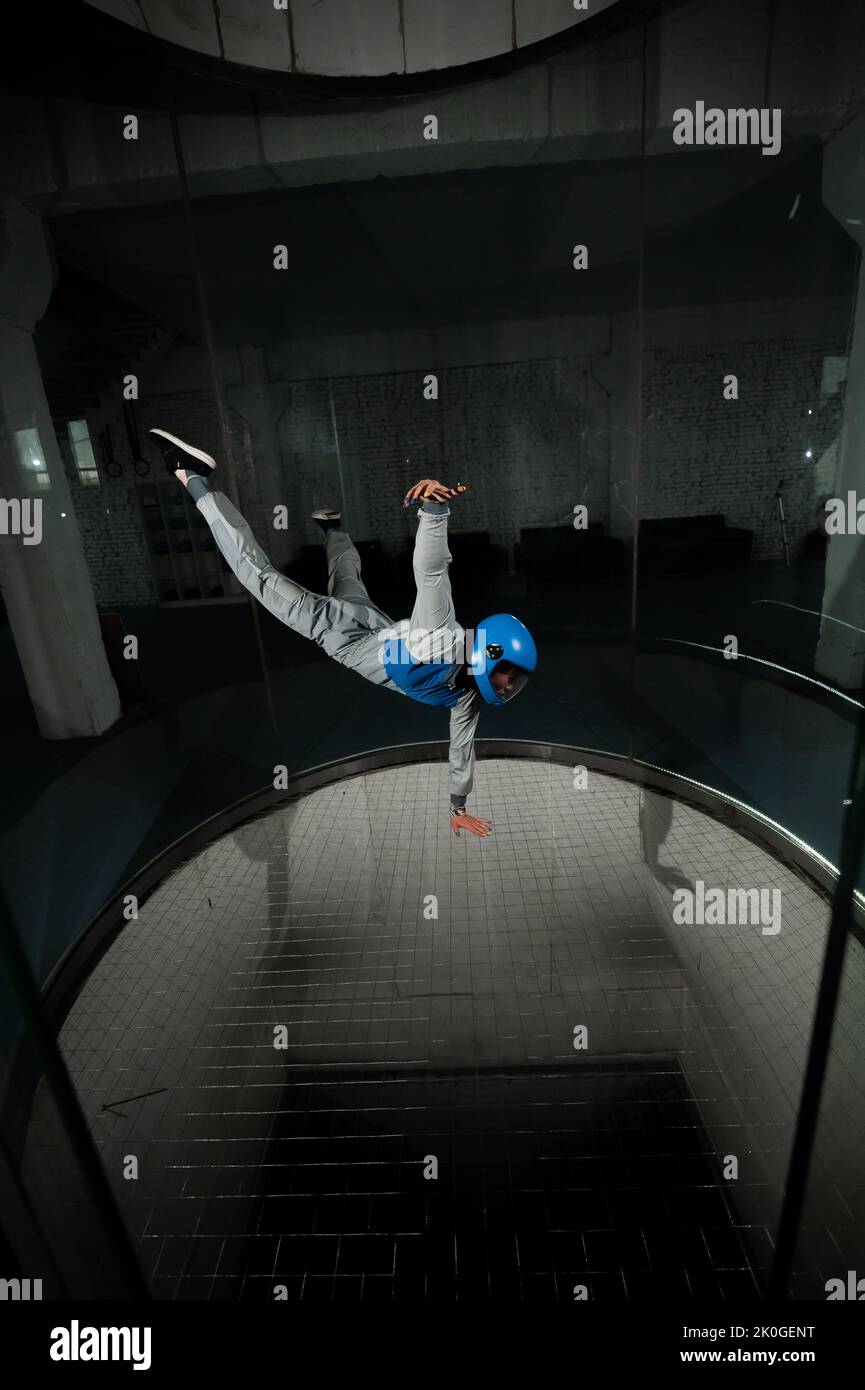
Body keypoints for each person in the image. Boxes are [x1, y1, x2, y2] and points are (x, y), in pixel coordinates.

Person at [149, 428, 537, 838]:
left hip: (372, 625)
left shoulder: (467, 699)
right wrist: (434, 514)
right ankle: (192, 476)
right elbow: (431, 573)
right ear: (488, 654)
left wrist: (458, 806)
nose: (509, 687)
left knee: (347, 576)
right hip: (339, 633)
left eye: (515, 682)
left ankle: (333, 529)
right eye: (508, 676)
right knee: (258, 576)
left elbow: (462, 750)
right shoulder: (442, 640)